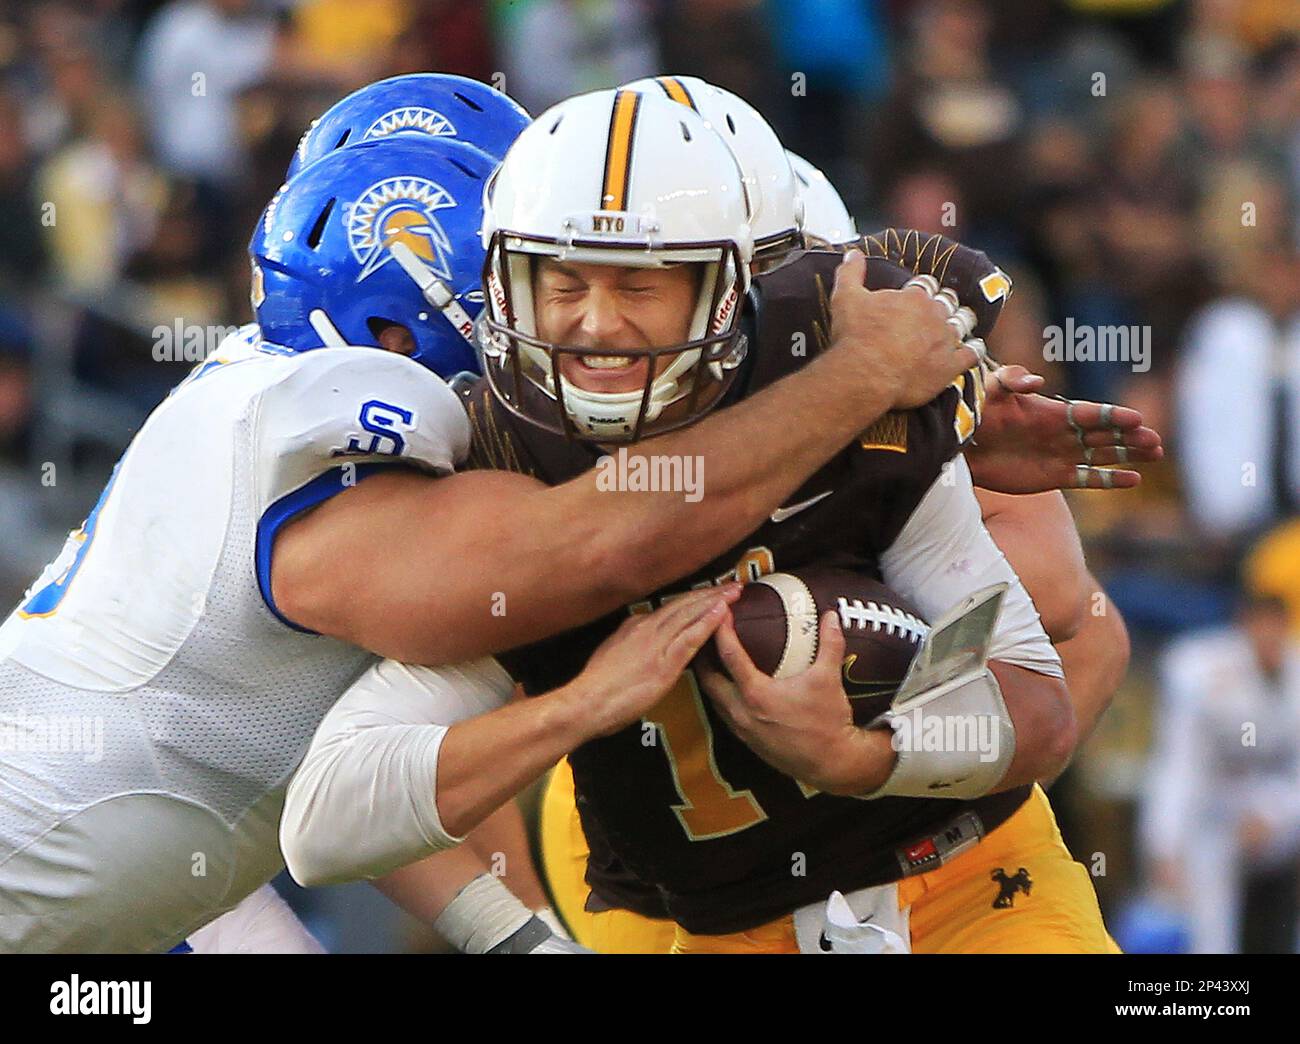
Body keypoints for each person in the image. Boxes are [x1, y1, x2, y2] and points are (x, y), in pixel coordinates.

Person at [0, 85, 981, 953]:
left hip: (106, 888)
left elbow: (282, 768)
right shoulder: (338, 418)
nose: (559, 326)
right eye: (521, 284)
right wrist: (860, 385)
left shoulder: (255, 404)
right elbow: (602, 541)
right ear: (402, 315)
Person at [280, 87, 1131, 953]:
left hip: (973, 886)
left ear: (737, 289)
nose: (599, 322)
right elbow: (327, 820)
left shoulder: (865, 373)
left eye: (644, 282)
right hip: (702, 922)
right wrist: (578, 704)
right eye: (562, 279)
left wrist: (865, 750)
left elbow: (1045, 698)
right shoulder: (497, 462)